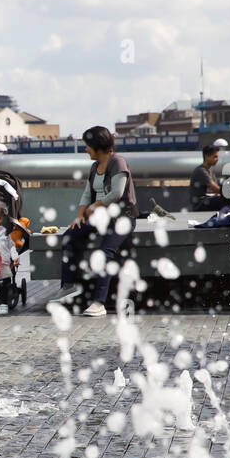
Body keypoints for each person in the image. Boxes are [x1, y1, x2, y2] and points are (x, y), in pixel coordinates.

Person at [48, 125, 139, 317]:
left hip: (122, 218)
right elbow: (86, 194)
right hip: (100, 217)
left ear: (98, 146)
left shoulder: (118, 163)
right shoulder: (94, 167)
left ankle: (99, 302)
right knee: (69, 237)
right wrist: (80, 216)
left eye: (88, 145)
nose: (85, 149)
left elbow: (117, 193)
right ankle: (68, 285)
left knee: (104, 254)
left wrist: (95, 206)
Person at [189, 145, 223, 212]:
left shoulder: (210, 170)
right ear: (206, 156)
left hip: (206, 200)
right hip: (200, 204)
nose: (217, 159)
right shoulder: (201, 171)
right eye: (215, 157)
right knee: (225, 200)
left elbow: (218, 191)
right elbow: (216, 189)